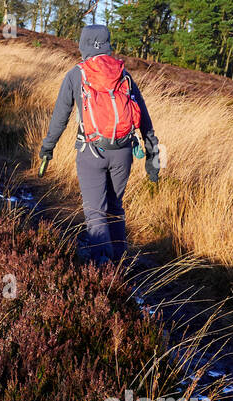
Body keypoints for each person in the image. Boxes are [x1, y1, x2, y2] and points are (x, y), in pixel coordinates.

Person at [38, 24, 160, 264]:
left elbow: (60, 118)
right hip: (123, 151)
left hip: (90, 152)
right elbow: (144, 118)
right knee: (115, 208)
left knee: (95, 213)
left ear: (84, 44)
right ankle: (121, 266)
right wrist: (152, 157)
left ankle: (104, 269)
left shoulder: (76, 74)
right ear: (107, 43)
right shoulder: (123, 74)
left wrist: (47, 149)